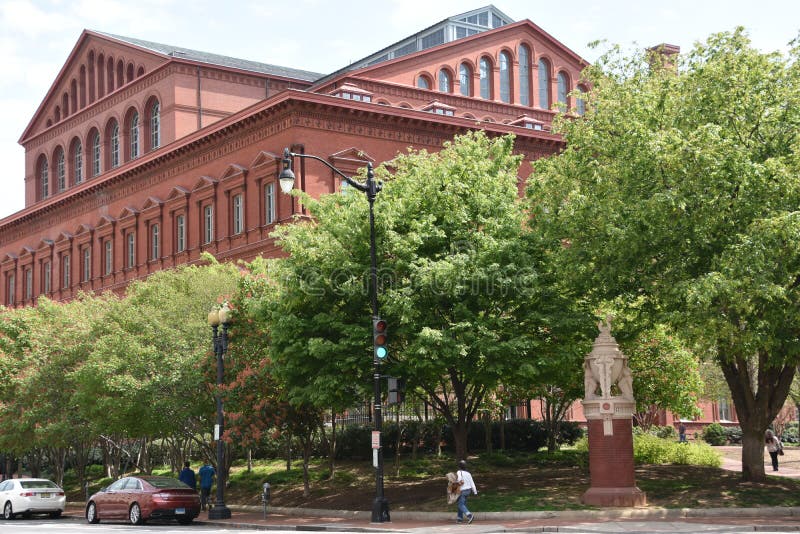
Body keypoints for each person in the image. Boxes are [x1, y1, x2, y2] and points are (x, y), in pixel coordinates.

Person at [455, 460, 477, 524]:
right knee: (462, 504)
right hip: (468, 491)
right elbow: (472, 483)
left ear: (459, 466)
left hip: (462, 491)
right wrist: (475, 492)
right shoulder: (468, 473)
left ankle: (469, 515)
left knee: (460, 504)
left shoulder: (459, 472)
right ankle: (459, 519)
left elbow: (458, 481)